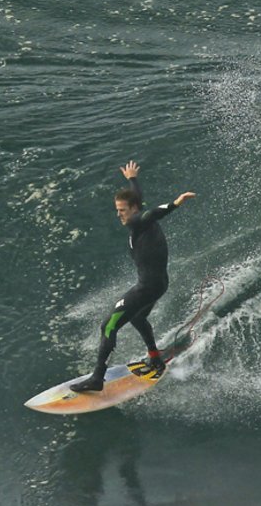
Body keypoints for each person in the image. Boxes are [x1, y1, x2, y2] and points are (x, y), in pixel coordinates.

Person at [71, 160, 196, 393]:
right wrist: (132, 179)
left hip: (147, 287)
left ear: (133, 210)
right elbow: (139, 201)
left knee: (108, 326)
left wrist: (175, 204)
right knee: (138, 318)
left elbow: (151, 214)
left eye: (122, 210)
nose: (118, 215)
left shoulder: (139, 221)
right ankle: (155, 357)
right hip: (159, 284)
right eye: (118, 210)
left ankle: (97, 378)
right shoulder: (136, 214)